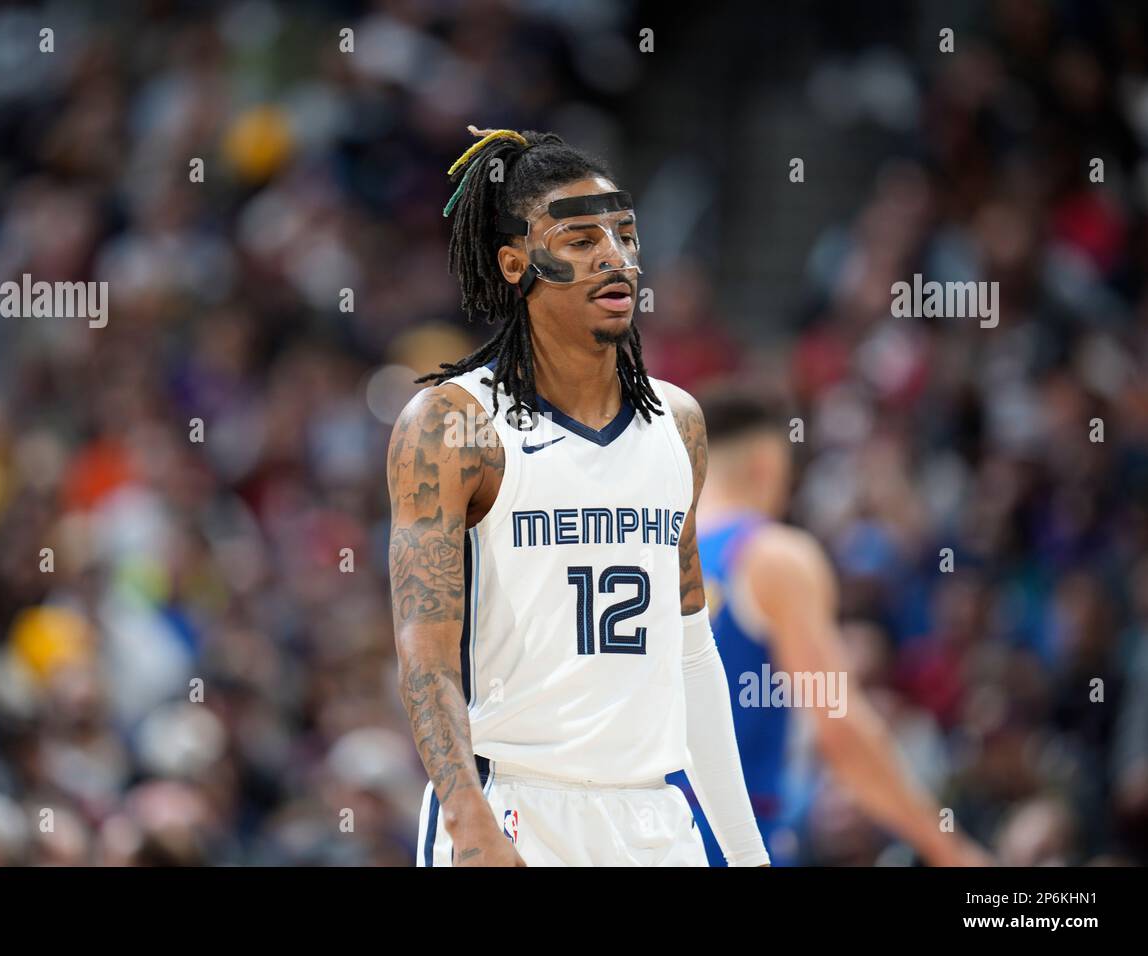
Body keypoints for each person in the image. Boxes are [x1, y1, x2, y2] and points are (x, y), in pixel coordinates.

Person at [387, 127, 767, 866]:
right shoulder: (453, 424)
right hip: (515, 802)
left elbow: (693, 657)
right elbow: (423, 654)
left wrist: (749, 857)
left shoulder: (679, 425)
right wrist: (469, 823)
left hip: (656, 816)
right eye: (583, 238)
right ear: (515, 262)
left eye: (625, 235)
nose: (615, 256)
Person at [676, 386, 991, 866]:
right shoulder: (770, 555)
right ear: (767, 464)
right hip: (729, 844)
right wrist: (949, 849)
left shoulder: (643, 556)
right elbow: (839, 729)